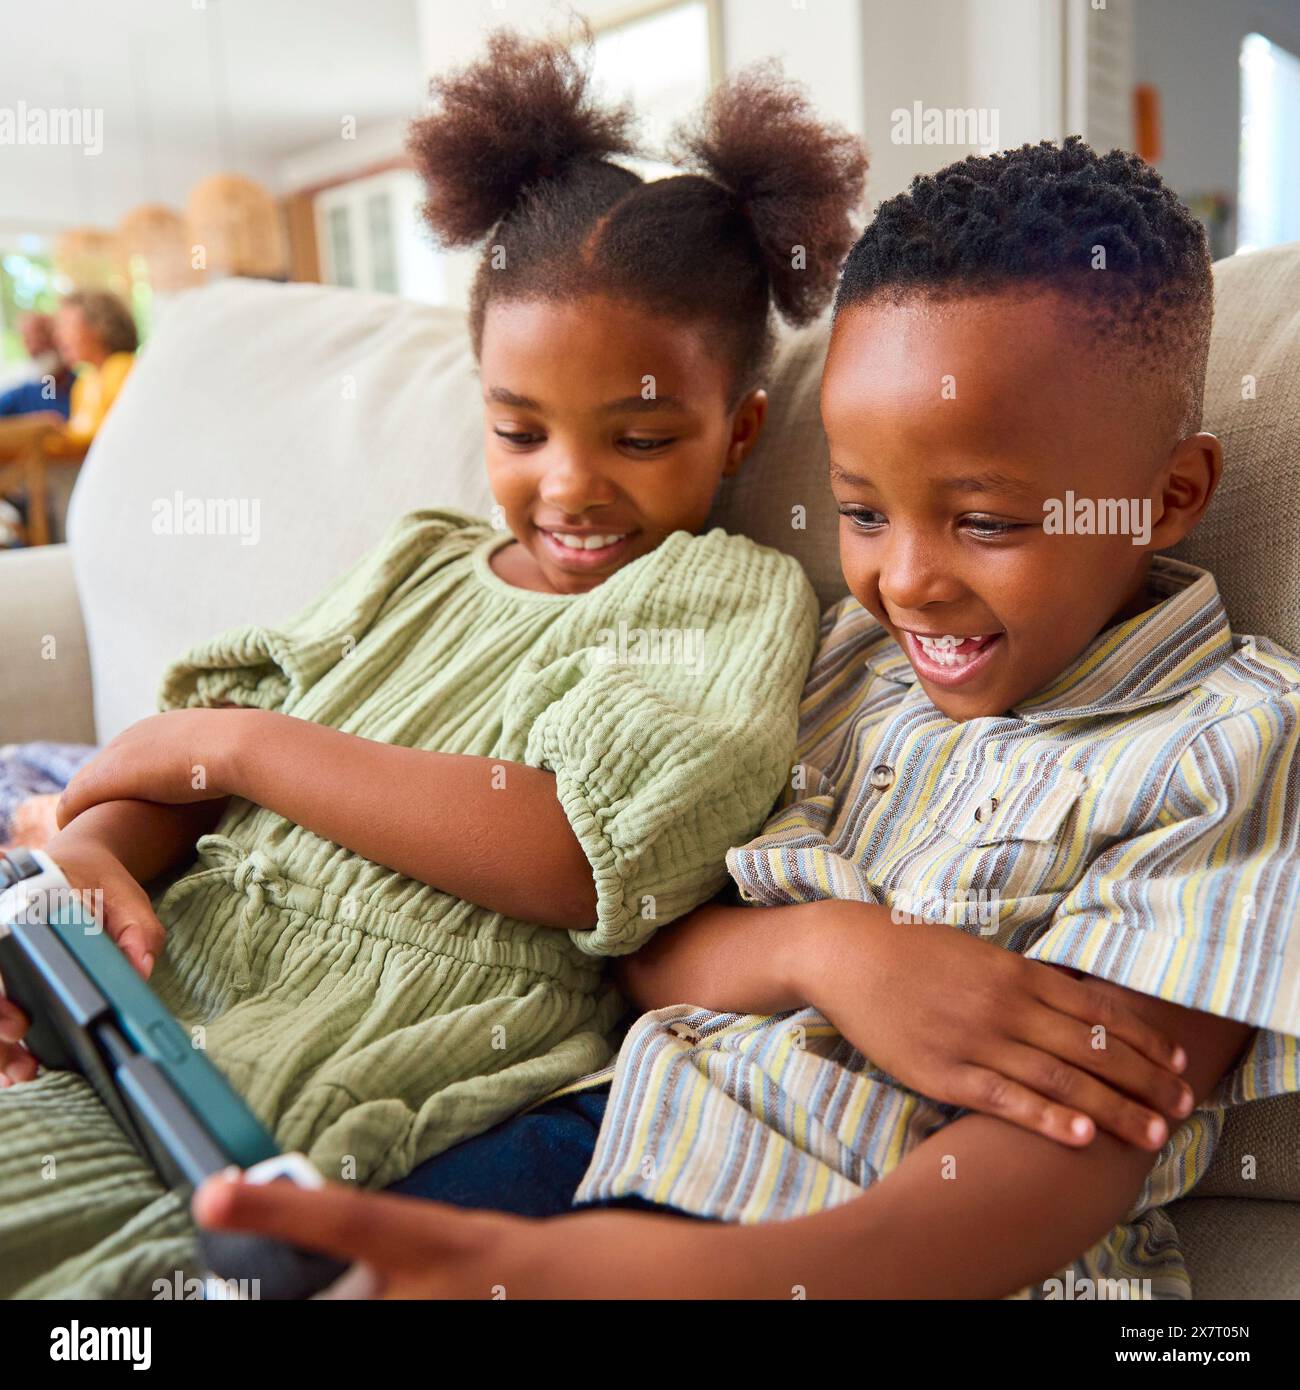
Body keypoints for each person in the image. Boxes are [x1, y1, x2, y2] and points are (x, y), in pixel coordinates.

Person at [188, 137, 1298, 1300]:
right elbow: (652, 952)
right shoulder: (839, 665)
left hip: (877, 1255)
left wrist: (707, 1275)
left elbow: (1079, 1147)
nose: (905, 581)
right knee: (258, 1264)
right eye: (862, 512)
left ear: (1170, 495)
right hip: (614, 1140)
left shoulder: (1228, 741)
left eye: (984, 523)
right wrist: (830, 951)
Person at [0, 32, 867, 1299]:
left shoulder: (719, 593)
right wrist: (93, 851)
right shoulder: (419, 557)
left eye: (639, 436)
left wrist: (252, 751)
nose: (569, 484)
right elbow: (189, 756)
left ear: (736, 429)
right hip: (147, 998)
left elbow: (579, 848)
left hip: (367, 1066)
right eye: (519, 429)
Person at [0, 312, 73, 420]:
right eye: (27, 340)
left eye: (41, 337)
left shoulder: (84, 385)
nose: (33, 348)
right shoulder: (22, 394)